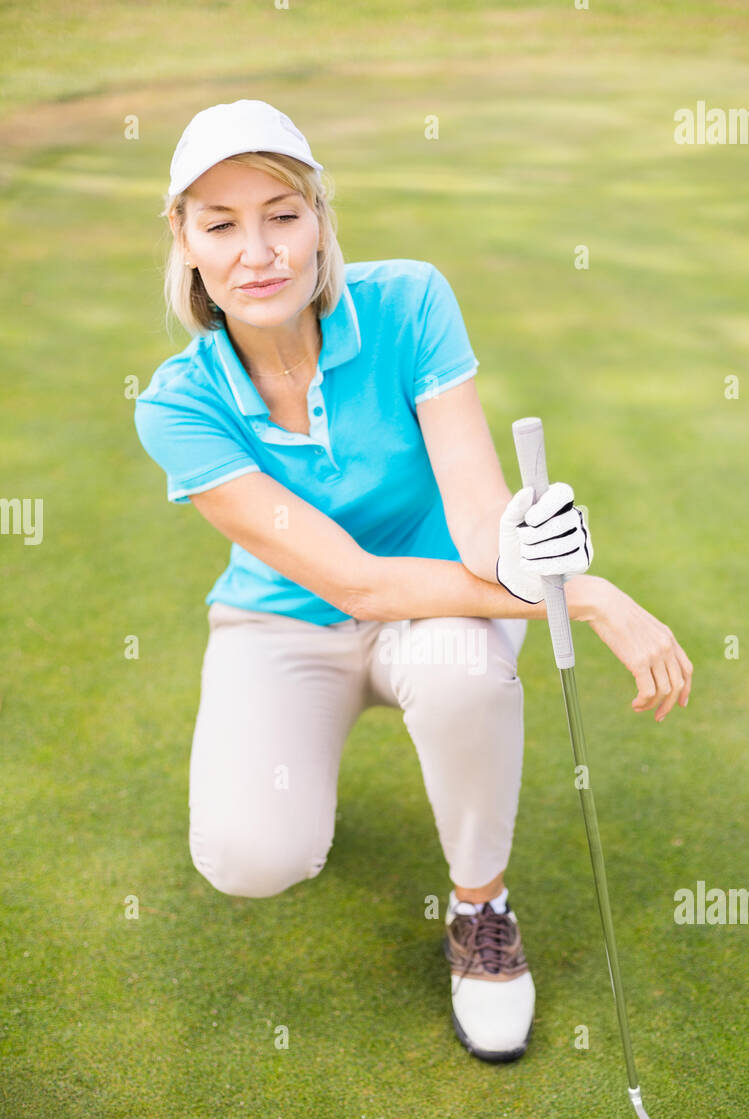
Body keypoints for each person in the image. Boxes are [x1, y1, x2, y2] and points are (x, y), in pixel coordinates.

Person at [134, 99, 692, 1066]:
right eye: (220, 225)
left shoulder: (409, 302)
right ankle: (296, 782)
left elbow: (478, 523)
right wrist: (588, 596)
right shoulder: (176, 404)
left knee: (463, 674)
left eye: (282, 214)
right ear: (184, 241)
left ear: (321, 221)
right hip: (282, 626)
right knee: (250, 858)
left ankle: (481, 912)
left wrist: (525, 542)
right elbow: (354, 582)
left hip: (439, 613)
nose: (257, 251)